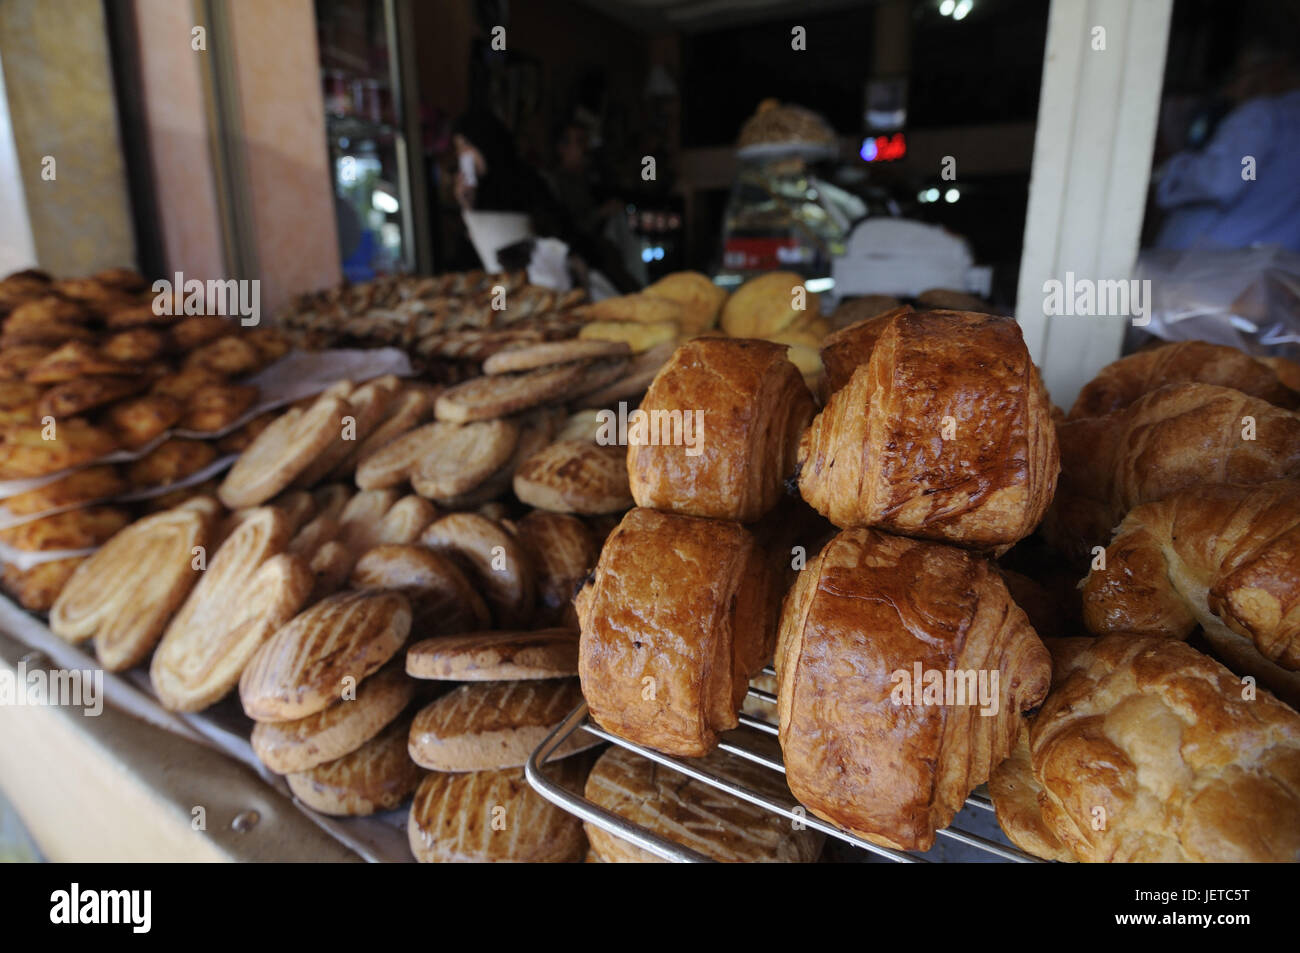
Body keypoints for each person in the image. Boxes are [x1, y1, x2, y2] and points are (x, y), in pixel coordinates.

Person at [1154, 43, 1300, 252]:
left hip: (1213, 266)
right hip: (1275, 270)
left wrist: (1175, 169)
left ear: (1275, 69)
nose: (1233, 86)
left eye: (1241, 74)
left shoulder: (1264, 115)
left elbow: (1223, 181)